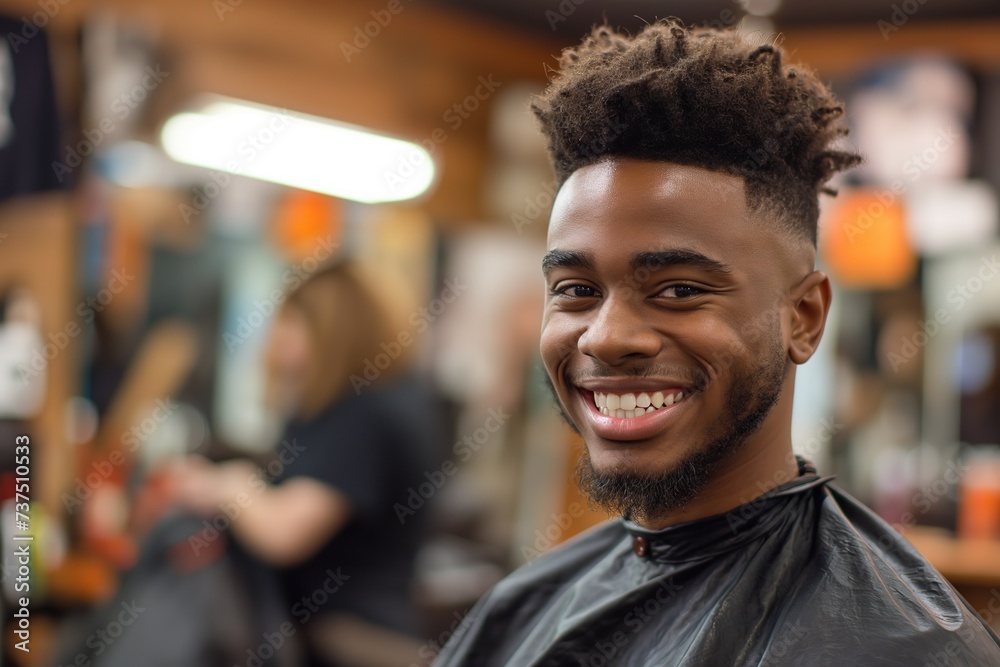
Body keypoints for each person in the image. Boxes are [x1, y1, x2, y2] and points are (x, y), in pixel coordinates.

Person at [434, 20, 1000, 666]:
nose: (608, 336)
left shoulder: (906, 651)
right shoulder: (521, 606)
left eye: (677, 290)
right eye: (576, 289)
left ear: (805, 317)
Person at [168, 261, 444, 667]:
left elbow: (284, 533)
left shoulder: (365, 413)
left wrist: (230, 486)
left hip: (351, 638)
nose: (278, 340)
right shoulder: (366, 404)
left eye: (294, 323)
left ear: (336, 330)